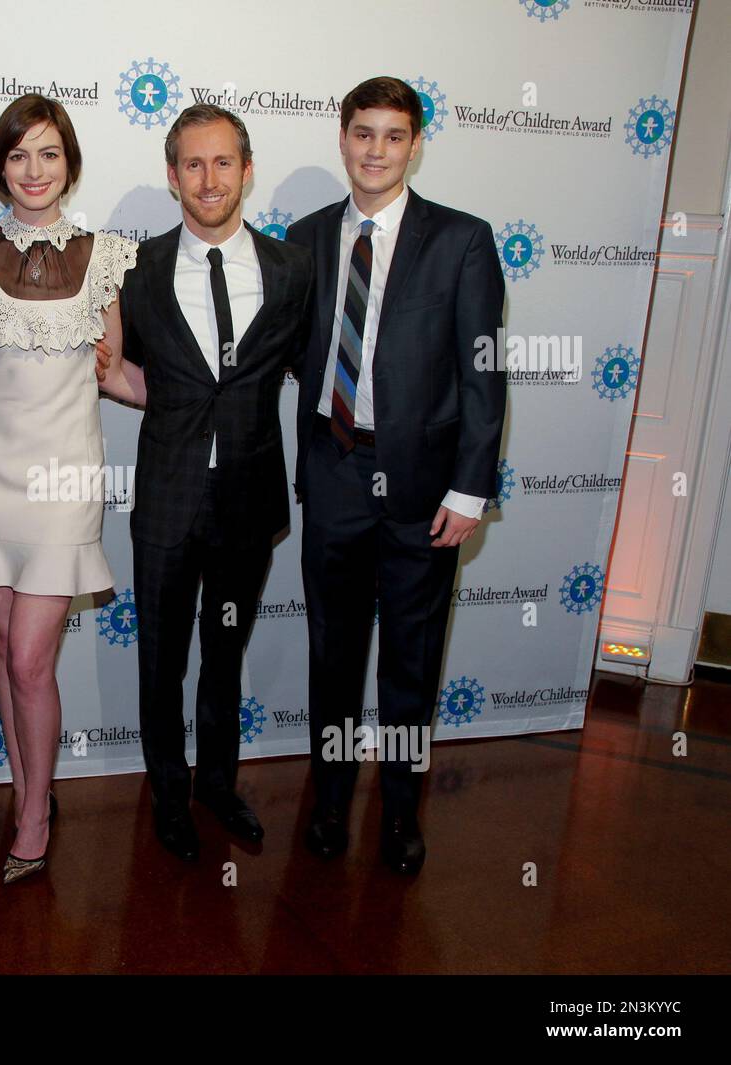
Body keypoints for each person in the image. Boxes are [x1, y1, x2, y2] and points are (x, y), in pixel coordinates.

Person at [285, 76, 506, 875]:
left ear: (415, 145)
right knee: (333, 654)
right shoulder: (305, 237)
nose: (375, 150)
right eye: (363, 133)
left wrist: (470, 488)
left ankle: (404, 810)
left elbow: (484, 372)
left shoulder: (462, 240)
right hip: (335, 467)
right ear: (342, 138)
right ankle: (331, 800)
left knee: (411, 660)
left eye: (393, 135)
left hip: (424, 485)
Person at [0, 94, 143, 883]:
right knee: (2, 641)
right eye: (19, 154)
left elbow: (112, 369)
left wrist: (205, 400)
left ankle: (33, 813)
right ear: (1, 167)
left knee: (29, 657)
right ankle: (29, 784)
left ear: (70, 164)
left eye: (49, 153)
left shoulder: (105, 257)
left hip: (65, 478)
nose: (34, 169)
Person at [111, 104, 314, 862]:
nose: (208, 179)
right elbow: (113, 366)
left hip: (248, 499)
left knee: (225, 652)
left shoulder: (293, 269)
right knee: (160, 659)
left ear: (247, 170)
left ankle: (218, 787)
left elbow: (308, 367)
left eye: (223, 162)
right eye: (192, 164)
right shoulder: (134, 269)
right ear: (172, 176)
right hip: (168, 497)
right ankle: (169, 795)